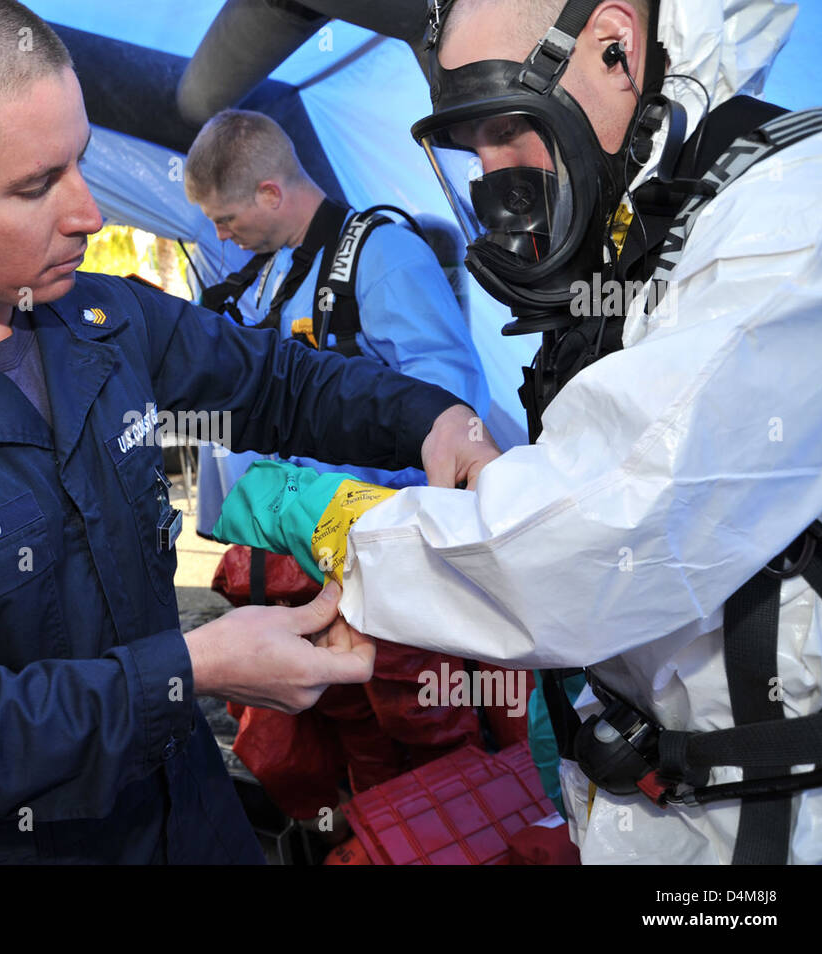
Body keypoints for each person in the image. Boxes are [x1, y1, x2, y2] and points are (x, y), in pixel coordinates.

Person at [0, 0, 500, 865]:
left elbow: (278, 380)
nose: (88, 212)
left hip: (197, 823)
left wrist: (433, 417)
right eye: (34, 185)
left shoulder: (100, 318)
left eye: (80, 163)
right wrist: (186, 673)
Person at [212, 0, 822, 864]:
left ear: (615, 45)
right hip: (650, 797)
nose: (495, 177)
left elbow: (587, 544)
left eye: (510, 124)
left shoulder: (792, 216)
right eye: (475, 146)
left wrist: (332, 518)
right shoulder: (653, 214)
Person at [183, 110, 495, 807]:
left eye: (225, 218)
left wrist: (330, 495)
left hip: (382, 561)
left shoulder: (382, 257)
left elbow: (448, 406)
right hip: (292, 565)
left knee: (421, 732)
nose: (219, 235)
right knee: (330, 741)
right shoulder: (262, 277)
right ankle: (366, 841)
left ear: (270, 192)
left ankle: (442, 844)